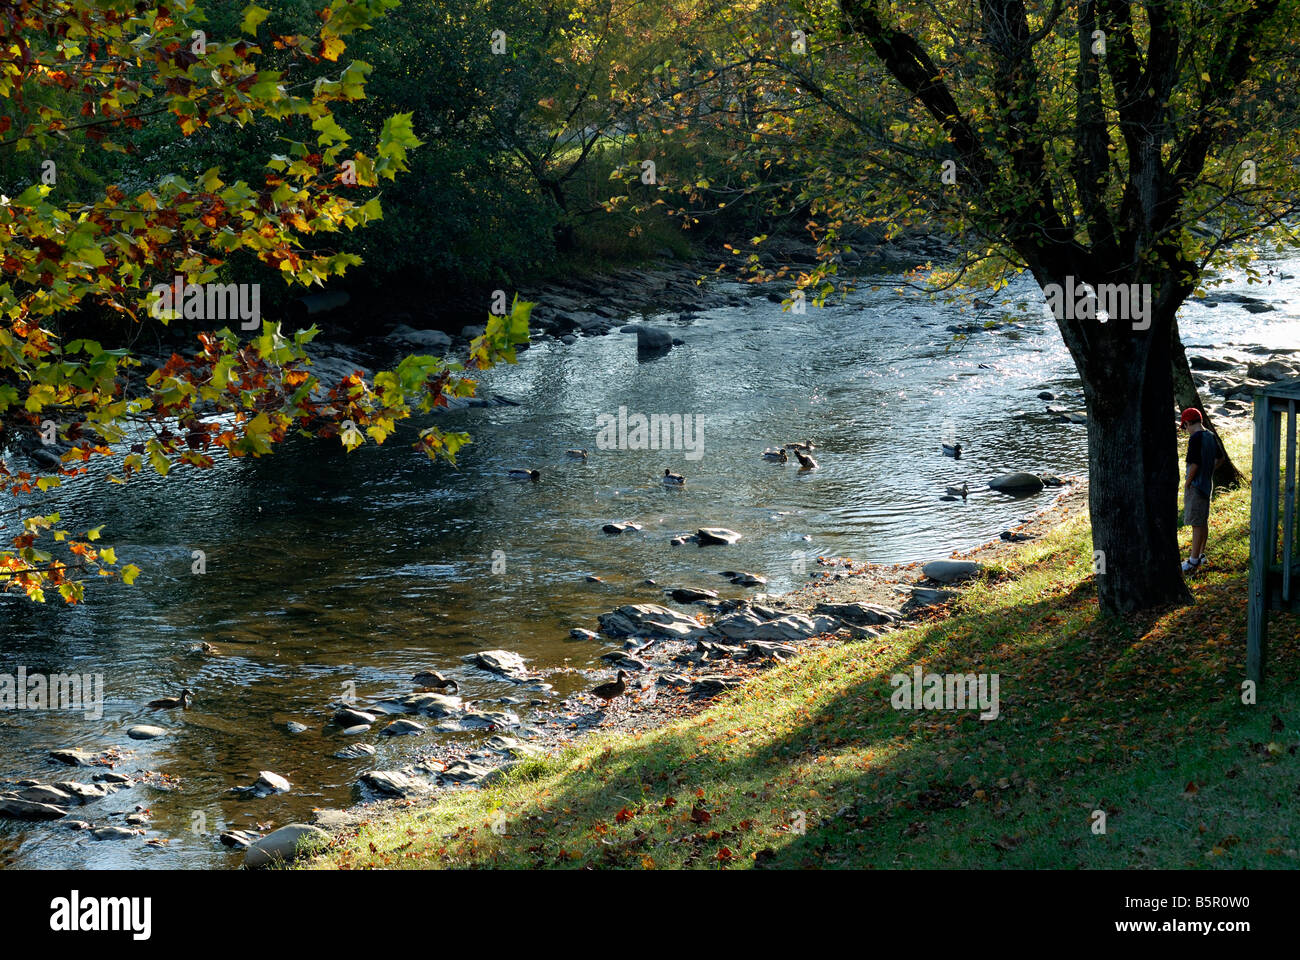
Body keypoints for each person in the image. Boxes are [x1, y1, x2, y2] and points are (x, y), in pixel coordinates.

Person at [1179, 407, 1225, 573]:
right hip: (1207, 484)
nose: (1185, 431)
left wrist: (1187, 482)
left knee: (1196, 524)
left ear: (1189, 423)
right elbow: (1220, 458)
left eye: (1184, 427)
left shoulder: (1195, 438)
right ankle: (1200, 554)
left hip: (1196, 486)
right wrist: (1209, 470)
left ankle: (1193, 560)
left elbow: (1194, 464)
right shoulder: (1210, 436)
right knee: (1202, 520)